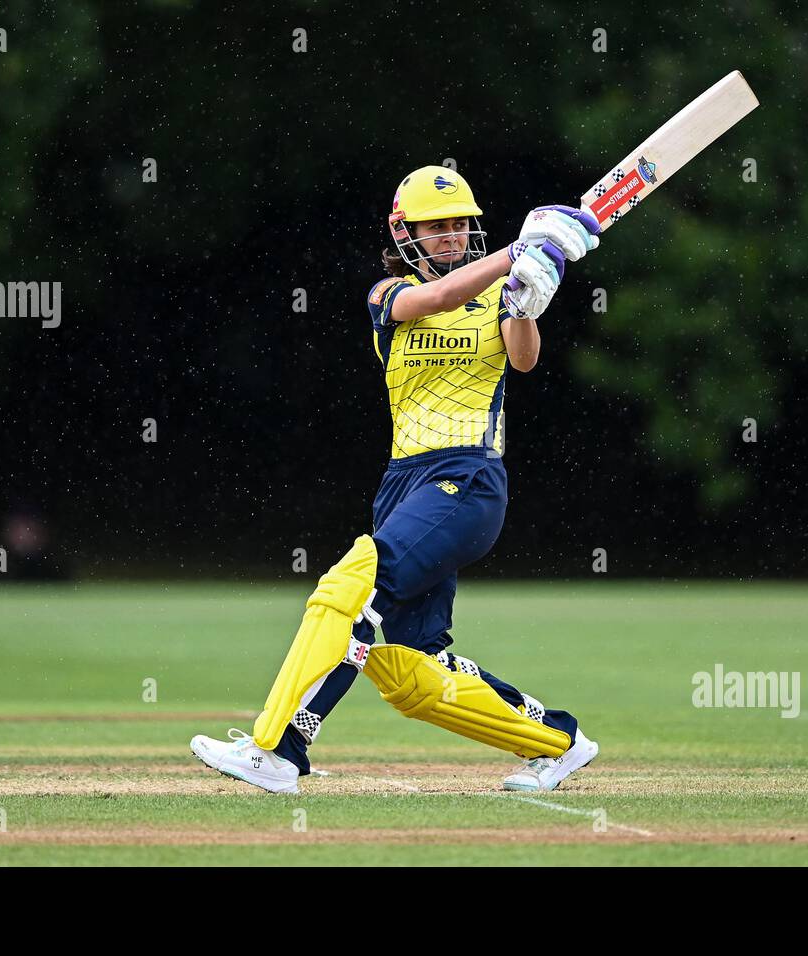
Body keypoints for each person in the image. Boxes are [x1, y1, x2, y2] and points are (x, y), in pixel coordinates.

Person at [192, 166, 601, 793]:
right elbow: (435, 300)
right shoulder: (387, 294)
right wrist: (518, 252)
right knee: (413, 667)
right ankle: (559, 742)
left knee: (352, 585)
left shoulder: (498, 290)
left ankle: (278, 750)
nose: (453, 236)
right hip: (404, 483)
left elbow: (523, 359)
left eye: (462, 225)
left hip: (468, 477)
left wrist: (526, 301)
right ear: (404, 232)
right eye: (436, 227)